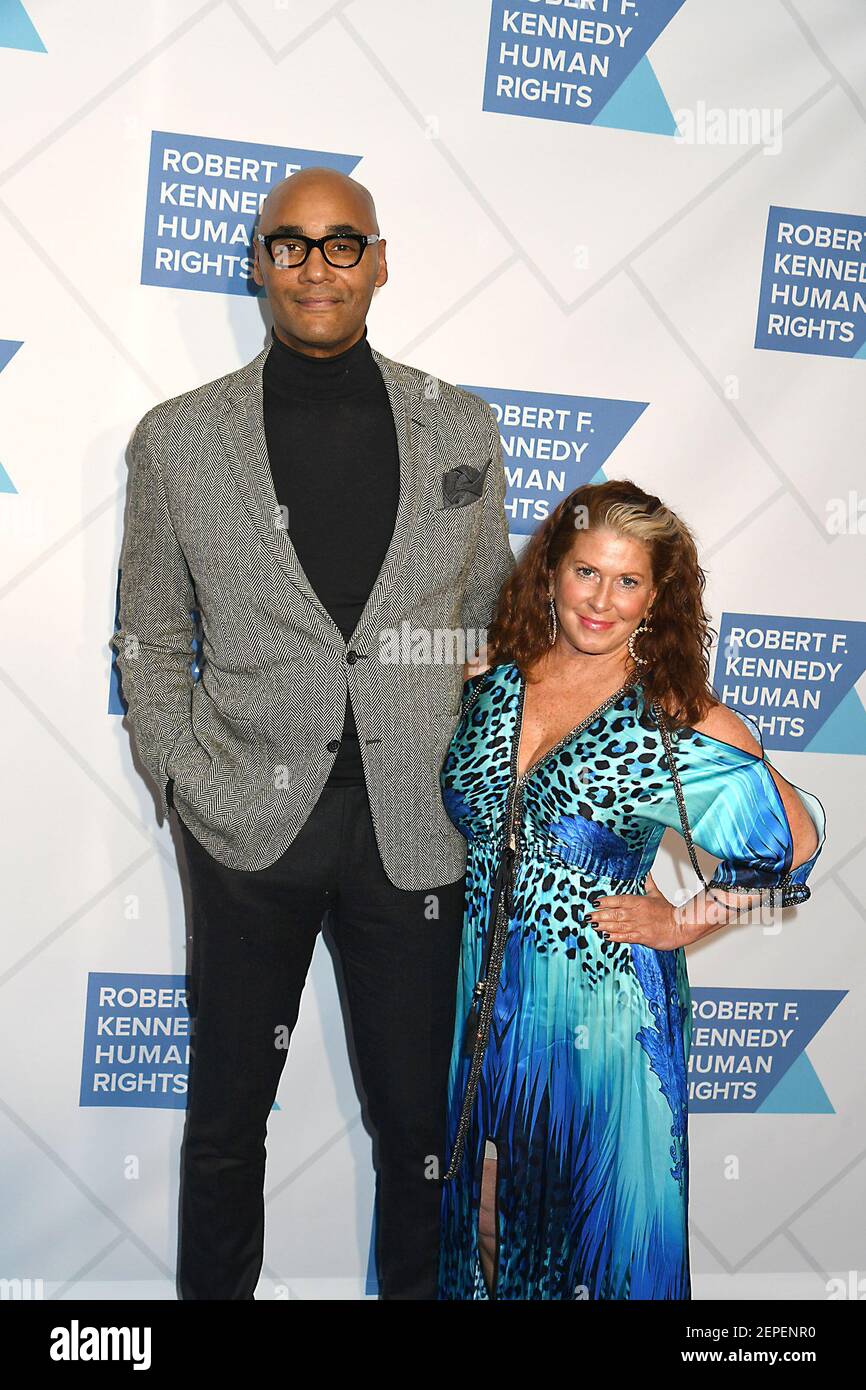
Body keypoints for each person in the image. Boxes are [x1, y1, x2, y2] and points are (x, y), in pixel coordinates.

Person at [109, 166, 514, 1299]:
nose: (315, 266)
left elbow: (486, 626)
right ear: (256, 264)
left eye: (342, 245)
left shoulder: (461, 425)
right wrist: (184, 779)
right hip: (246, 829)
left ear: (379, 261)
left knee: (420, 1136)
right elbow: (147, 634)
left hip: (416, 831)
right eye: (288, 244)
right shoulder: (178, 439)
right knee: (227, 1126)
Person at [437, 479, 825, 1300]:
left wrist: (686, 920)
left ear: (657, 597)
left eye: (628, 582)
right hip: (476, 998)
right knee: (484, 1222)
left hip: (600, 1010)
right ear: (549, 572)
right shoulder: (493, 680)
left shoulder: (670, 712)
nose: (601, 601)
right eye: (586, 573)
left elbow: (793, 842)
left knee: (599, 1240)